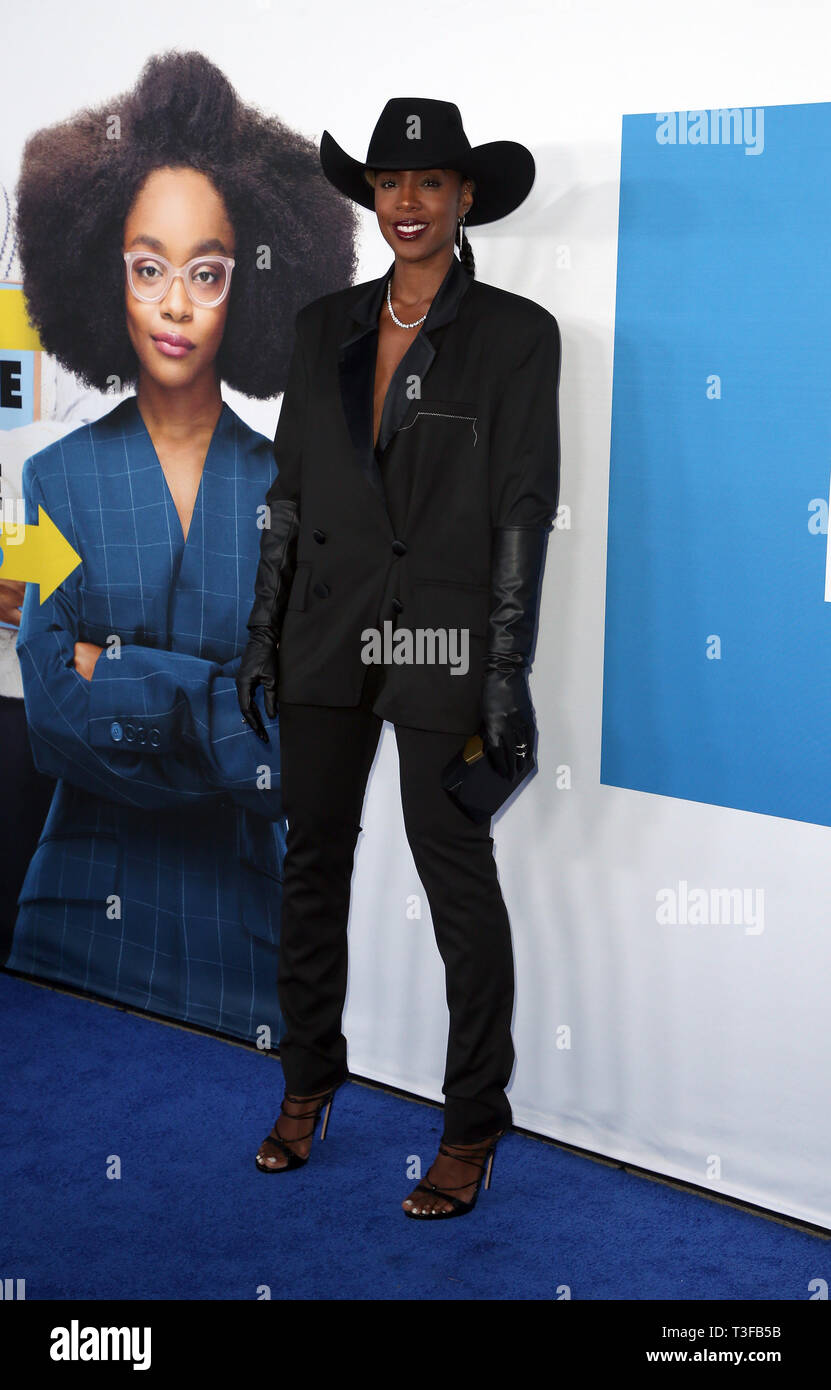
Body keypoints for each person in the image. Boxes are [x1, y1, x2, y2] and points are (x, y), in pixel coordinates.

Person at [237, 98, 561, 1215]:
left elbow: (525, 509)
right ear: (371, 196)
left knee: (455, 883)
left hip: (440, 638)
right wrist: (262, 627)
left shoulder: (520, 335)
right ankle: (306, 1082)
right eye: (389, 181)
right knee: (310, 863)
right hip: (328, 629)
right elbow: (288, 495)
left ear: (468, 197)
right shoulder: (320, 320)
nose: (407, 202)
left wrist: (505, 670)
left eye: (430, 181)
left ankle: (473, 1120)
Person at [5, 52, 356, 1040]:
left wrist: (112, 671)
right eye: (147, 267)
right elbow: (49, 723)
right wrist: (218, 699)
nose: (173, 303)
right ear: (104, 275)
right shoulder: (51, 483)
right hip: (72, 921)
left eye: (206, 272)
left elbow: (296, 755)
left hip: (244, 940)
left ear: (248, 286)